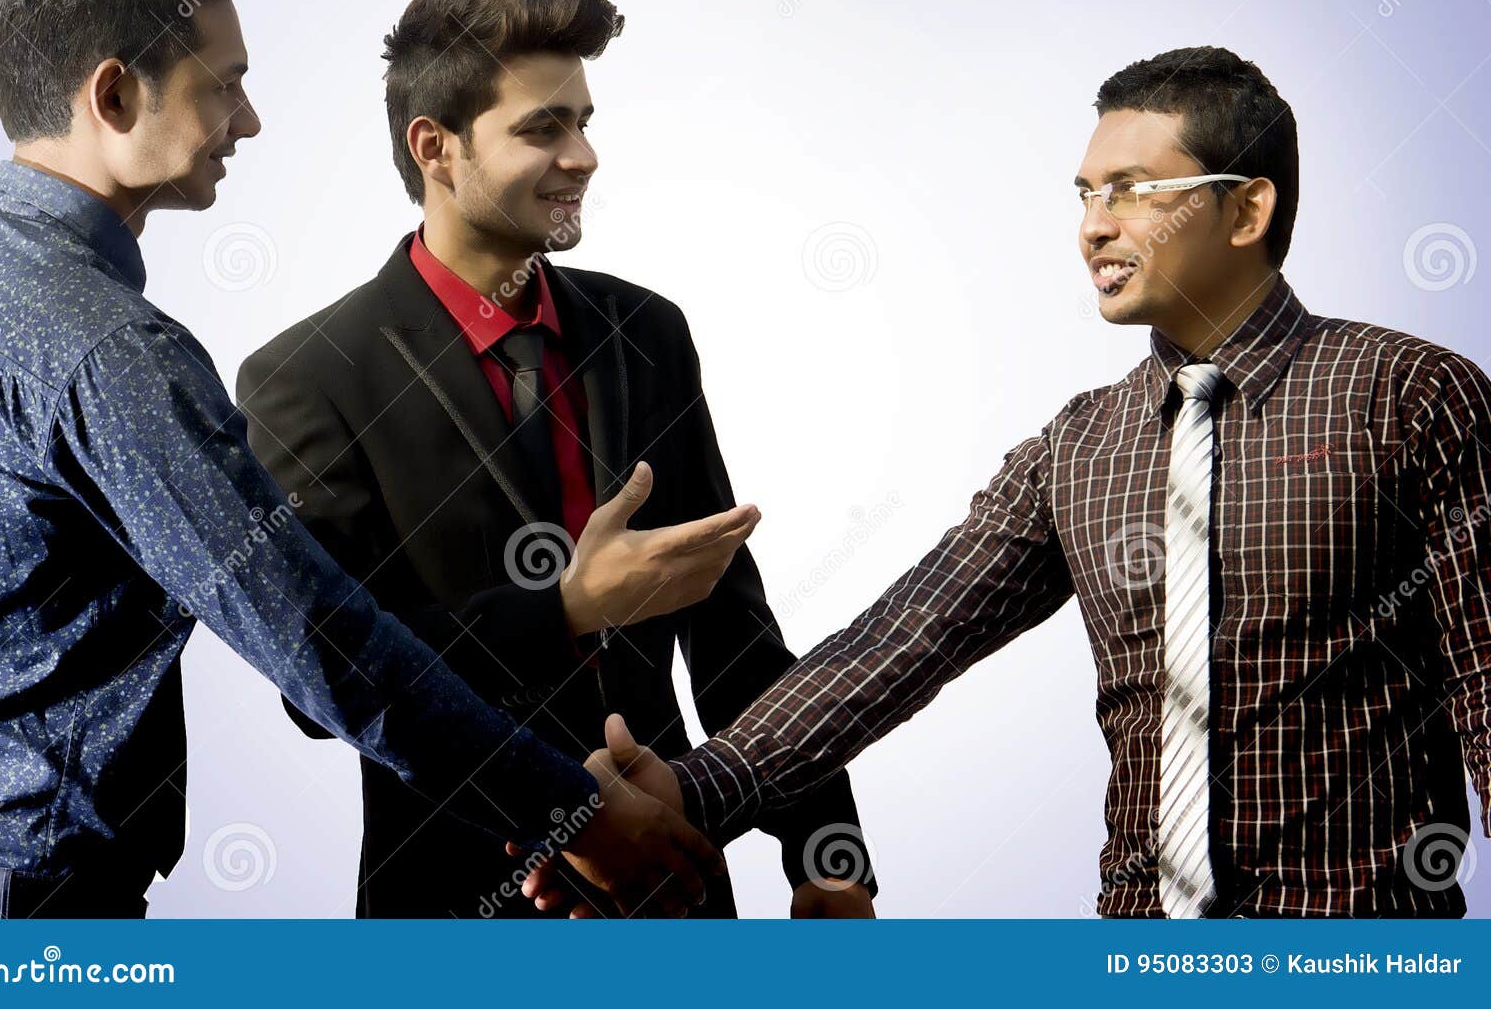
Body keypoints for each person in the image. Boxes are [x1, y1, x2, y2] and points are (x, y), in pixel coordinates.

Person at [0, 0, 725, 920]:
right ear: (114, 93)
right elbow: (318, 642)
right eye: (226, 85)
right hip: (32, 933)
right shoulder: (112, 352)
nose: (248, 121)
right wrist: (573, 812)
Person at [532, 46, 1491, 918]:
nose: (1093, 228)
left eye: (1132, 191)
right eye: (1083, 194)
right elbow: (905, 641)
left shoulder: (1411, 397)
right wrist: (696, 788)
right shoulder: (1078, 446)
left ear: (1246, 208)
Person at [237, 0, 875, 918]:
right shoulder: (309, 376)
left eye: (584, 121)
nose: (584, 155)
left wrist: (826, 855)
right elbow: (325, 681)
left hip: (674, 891)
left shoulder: (646, 333)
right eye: (544, 128)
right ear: (436, 148)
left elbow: (733, 627)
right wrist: (565, 604)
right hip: (454, 907)